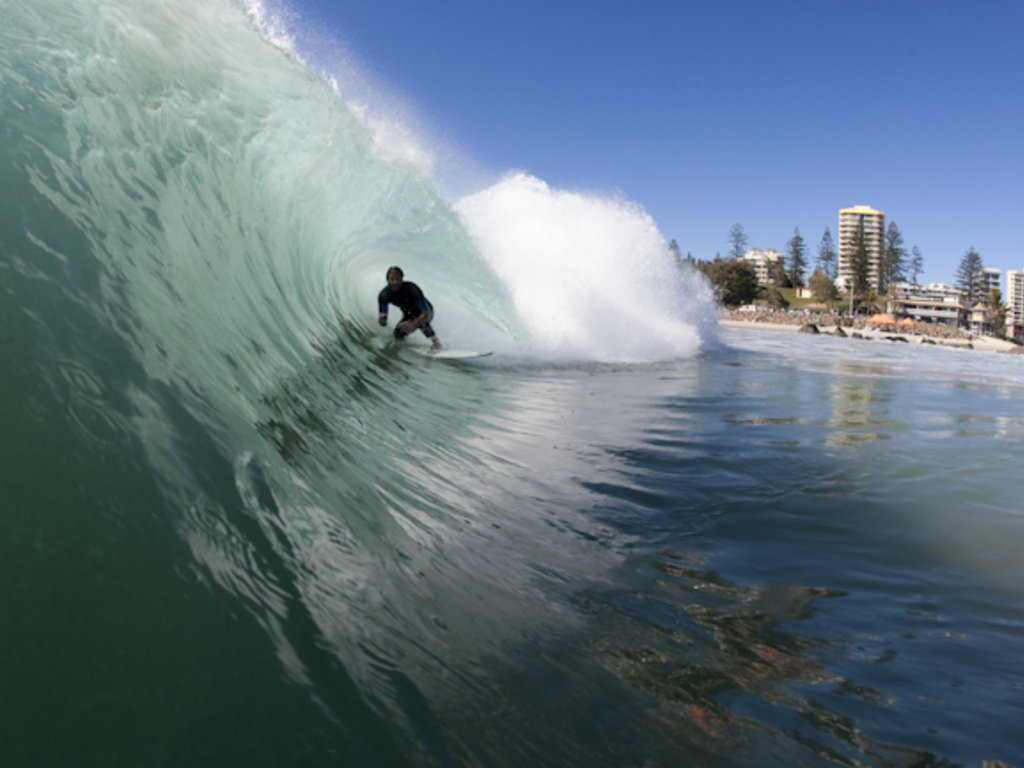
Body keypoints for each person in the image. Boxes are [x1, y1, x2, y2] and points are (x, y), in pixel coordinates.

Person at [378, 266, 442, 351]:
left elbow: (425, 314)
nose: (395, 282)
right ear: (387, 280)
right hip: (408, 313)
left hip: (425, 311)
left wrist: (411, 325)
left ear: (402, 278)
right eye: (392, 279)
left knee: (420, 320)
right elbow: (383, 316)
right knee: (398, 332)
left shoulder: (412, 289)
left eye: (398, 279)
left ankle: (436, 343)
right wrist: (382, 320)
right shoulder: (384, 295)